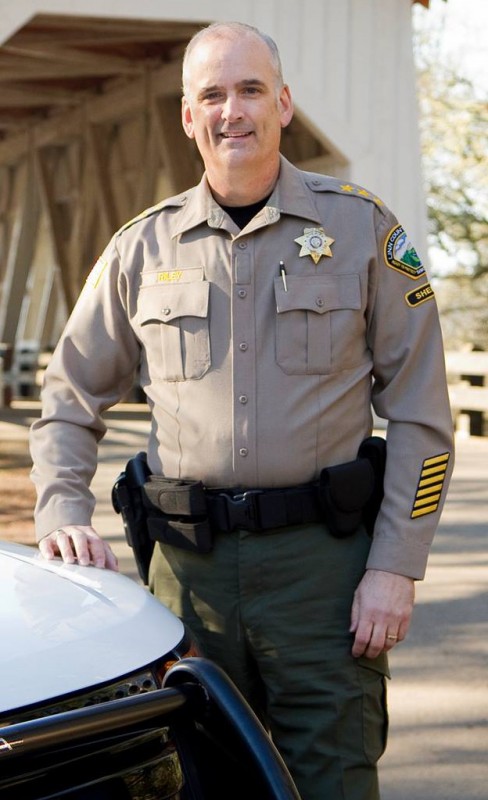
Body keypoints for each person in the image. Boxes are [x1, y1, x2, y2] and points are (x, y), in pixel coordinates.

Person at [30, 21, 454, 800]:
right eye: (213, 95)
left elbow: (424, 414)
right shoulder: (141, 249)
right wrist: (62, 508)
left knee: (332, 778)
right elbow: (67, 396)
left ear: (285, 103)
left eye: (251, 90)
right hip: (186, 583)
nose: (234, 111)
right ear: (188, 116)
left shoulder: (364, 230)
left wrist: (395, 566)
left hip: (322, 578)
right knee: (196, 783)